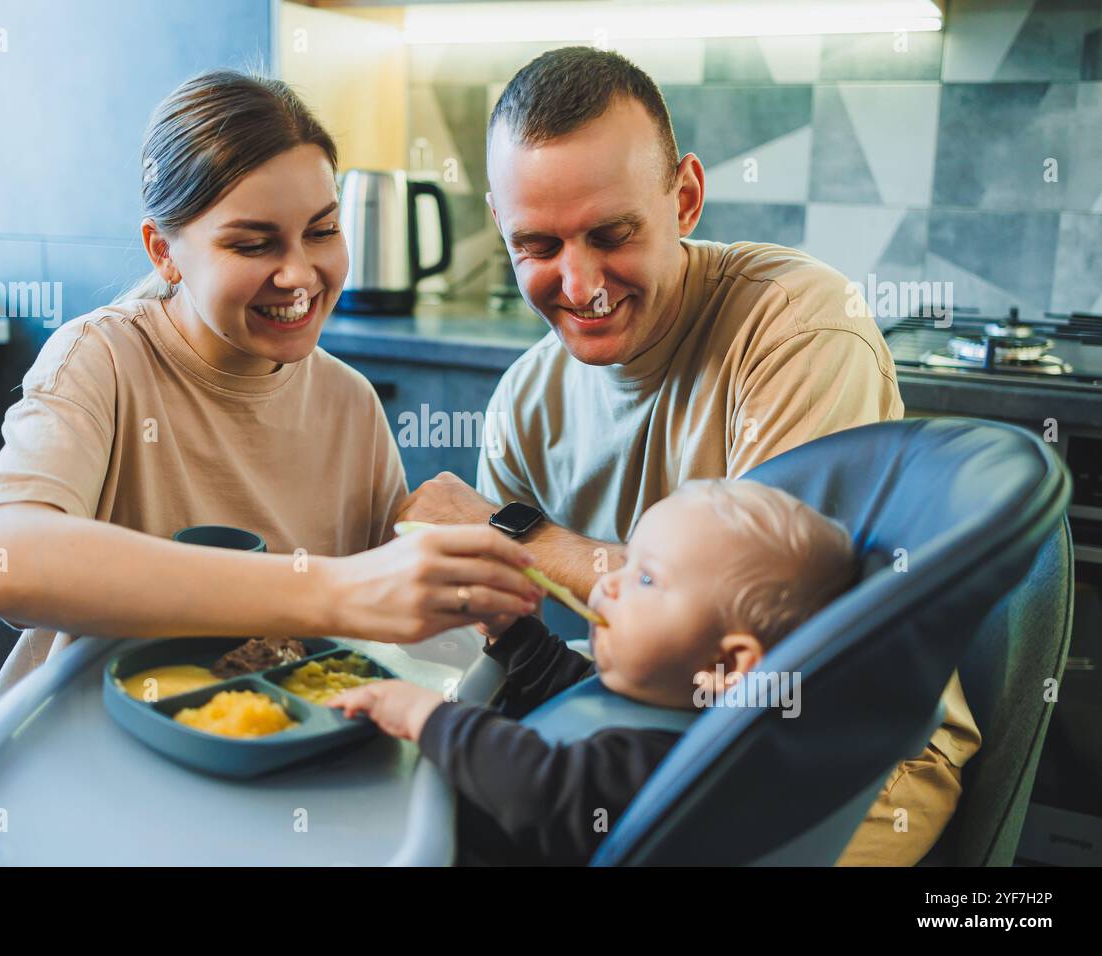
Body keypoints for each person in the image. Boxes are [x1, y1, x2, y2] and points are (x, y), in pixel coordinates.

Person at [397, 46, 980, 866]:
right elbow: (516, 630)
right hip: (652, 736)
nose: (581, 283)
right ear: (500, 226)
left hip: (844, 764)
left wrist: (513, 533)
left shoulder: (798, 327)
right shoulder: (525, 398)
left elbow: (787, 657)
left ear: (687, 198)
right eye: (537, 245)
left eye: (612, 233)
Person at [0, 70, 543, 706]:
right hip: (84, 745)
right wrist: (331, 589)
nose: (298, 274)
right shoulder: (100, 362)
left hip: (275, 747)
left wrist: (455, 592)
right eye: (253, 244)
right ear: (164, 251)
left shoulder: (350, 403)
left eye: (322, 231)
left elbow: (380, 635)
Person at [332, 480, 857, 864]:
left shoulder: (678, 761)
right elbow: (577, 692)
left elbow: (538, 788)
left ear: (726, 664)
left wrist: (427, 717)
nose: (607, 585)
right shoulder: (666, 695)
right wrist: (514, 636)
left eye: (646, 578)